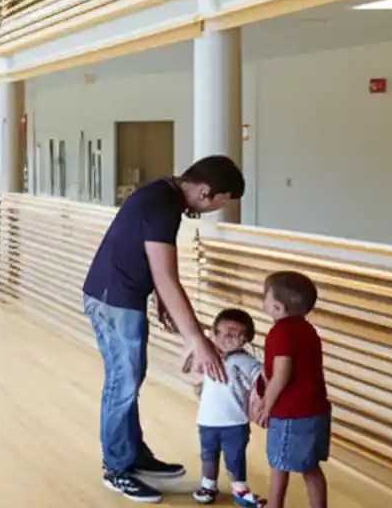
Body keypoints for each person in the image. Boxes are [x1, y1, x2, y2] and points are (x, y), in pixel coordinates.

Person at [82, 155, 245, 503]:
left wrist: (157, 295)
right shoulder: (163, 206)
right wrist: (197, 340)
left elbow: (152, 264)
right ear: (206, 192)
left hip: (121, 296)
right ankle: (116, 469)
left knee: (129, 379)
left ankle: (132, 455)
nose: (219, 208)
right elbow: (167, 277)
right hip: (114, 300)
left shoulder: (163, 194)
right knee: (121, 382)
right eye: (222, 201)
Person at [253, 271, 330, 508]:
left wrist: (267, 405)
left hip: (290, 414)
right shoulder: (307, 330)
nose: (263, 300)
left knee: (278, 463)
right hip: (316, 411)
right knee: (310, 466)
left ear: (276, 306)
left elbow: (281, 374)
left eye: (266, 296)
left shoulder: (280, 332)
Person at [182, 309, 266, 507]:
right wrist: (197, 344)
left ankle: (240, 489)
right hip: (207, 420)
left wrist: (259, 400)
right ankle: (208, 484)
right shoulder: (205, 356)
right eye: (227, 333)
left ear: (246, 339)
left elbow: (262, 379)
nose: (232, 339)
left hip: (235, 421)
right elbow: (186, 367)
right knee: (208, 454)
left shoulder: (246, 361)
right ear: (213, 333)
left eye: (239, 335)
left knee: (235, 456)